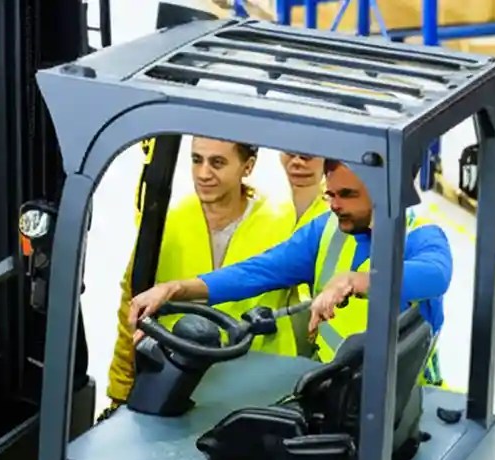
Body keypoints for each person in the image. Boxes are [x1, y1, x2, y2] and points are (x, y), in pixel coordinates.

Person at [128, 158, 453, 385]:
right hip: (335, 384)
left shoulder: (421, 236)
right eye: (331, 194)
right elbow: (257, 271)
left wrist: (358, 282)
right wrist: (175, 290)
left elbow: (436, 274)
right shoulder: (326, 230)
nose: (335, 204)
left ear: (386, 194)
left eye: (348, 195)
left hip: (405, 392)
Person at [104, 137, 309, 407]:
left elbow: (308, 305)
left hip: (257, 391)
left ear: (248, 167)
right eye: (196, 160)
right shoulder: (167, 222)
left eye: (218, 163)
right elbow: (131, 302)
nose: (203, 174)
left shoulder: (284, 221)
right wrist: (120, 390)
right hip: (175, 385)